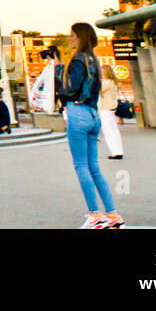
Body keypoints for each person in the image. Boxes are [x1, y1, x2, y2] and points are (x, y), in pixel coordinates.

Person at [57, 23, 123, 228]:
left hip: (77, 113)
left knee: (81, 165)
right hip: (93, 115)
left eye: (72, 36)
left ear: (81, 37)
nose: (70, 39)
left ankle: (95, 213)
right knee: (94, 167)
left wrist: (59, 70)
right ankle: (112, 213)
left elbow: (70, 87)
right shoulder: (94, 60)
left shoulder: (78, 60)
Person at [98, 68, 124, 159]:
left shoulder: (106, 82)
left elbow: (98, 90)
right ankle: (119, 150)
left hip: (105, 108)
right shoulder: (114, 82)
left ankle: (114, 152)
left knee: (108, 131)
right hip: (112, 108)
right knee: (114, 130)